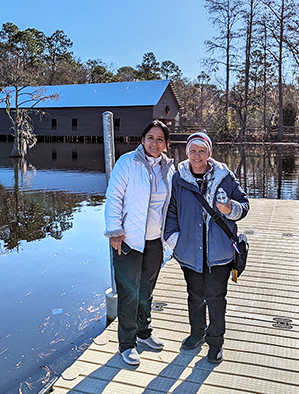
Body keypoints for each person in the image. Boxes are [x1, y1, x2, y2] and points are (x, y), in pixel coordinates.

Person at [164, 131, 249, 365]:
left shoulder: (225, 177)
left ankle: (215, 342)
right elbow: (171, 211)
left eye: (202, 151)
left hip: (219, 253)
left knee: (216, 297)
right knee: (194, 296)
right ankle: (196, 333)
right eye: (193, 151)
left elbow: (245, 205)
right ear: (187, 152)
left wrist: (231, 208)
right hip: (189, 251)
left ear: (209, 153)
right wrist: (173, 238)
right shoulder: (178, 178)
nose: (197, 155)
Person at [104, 120, 175, 366]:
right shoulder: (127, 162)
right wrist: (114, 231)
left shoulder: (168, 168)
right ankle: (127, 343)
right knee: (129, 293)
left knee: (146, 291)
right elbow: (113, 197)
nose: (155, 143)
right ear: (142, 139)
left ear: (166, 144)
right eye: (150, 138)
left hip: (155, 241)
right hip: (129, 241)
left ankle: (144, 333)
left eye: (160, 139)